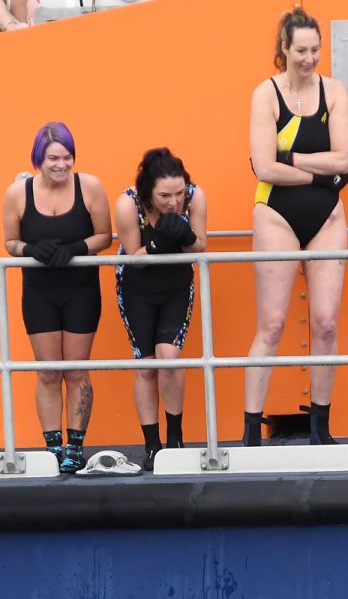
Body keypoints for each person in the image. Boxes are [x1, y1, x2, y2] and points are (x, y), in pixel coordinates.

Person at [244, 6, 348, 448]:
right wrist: (318, 172)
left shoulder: (335, 91)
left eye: (316, 49)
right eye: (301, 50)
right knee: (271, 324)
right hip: (275, 215)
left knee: (326, 324)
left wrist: (292, 160)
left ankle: (320, 429)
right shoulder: (265, 94)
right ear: (284, 49)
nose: (310, 58)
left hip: (327, 218)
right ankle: (251, 430)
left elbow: (344, 160)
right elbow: (263, 170)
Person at [2, 122, 111, 473]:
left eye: (67, 158)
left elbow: (105, 236)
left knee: (77, 370)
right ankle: (52, 446)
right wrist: (30, 249)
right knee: (49, 372)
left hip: (80, 288)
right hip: (39, 290)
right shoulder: (17, 192)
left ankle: (75, 446)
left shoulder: (90, 186)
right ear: (38, 158)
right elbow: (9, 243)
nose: (61, 165)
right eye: (53, 158)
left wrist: (78, 248)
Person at [114, 147, 207, 470]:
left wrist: (183, 233)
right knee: (146, 365)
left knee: (169, 359)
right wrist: (158, 242)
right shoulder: (128, 203)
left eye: (179, 193)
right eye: (165, 195)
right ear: (147, 192)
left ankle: (175, 439)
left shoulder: (195, 197)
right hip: (137, 287)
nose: (174, 202)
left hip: (176, 285)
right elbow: (133, 257)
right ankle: (151, 445)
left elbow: (199, 246)